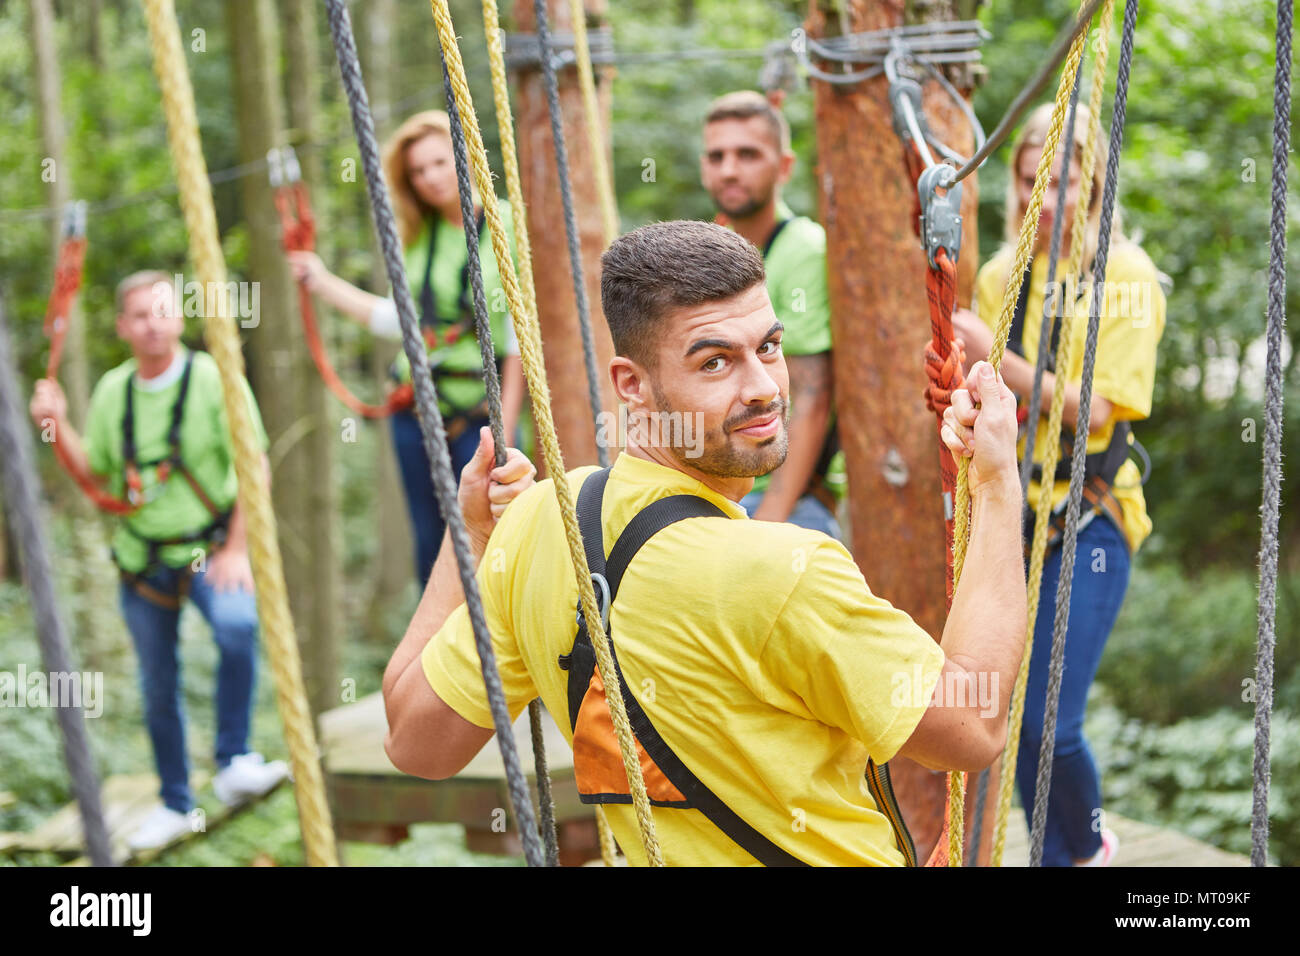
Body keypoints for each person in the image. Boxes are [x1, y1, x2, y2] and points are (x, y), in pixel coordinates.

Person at [382, 220, 1029, 866]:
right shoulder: (786, 572)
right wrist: (998, 485)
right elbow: (974, 727)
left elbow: (415, 742)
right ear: (631, 385)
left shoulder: (540, 524)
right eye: (714, 361)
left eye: (769, 347)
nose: (762, 388)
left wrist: (469, 533)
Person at [952, 102, 1167, 867]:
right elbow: (986, 395)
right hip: (1012, 510)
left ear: (1094, 183)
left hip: (1090, 518)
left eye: (1064, 182)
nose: (1046, 200)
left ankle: (1080, 846)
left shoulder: (1127, 276)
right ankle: (1055, 851)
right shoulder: (999, 274)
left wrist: (992, 356)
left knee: (1050, 722)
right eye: (1031, 182)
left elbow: (1097, 410)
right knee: (994, 713)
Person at [29, 270, 287, 851]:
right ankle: (175, 800)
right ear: (123, 327)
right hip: (142, 559)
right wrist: (55, 422)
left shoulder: (213, 381)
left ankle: (233, 758)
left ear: (180, 317)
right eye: (139, 315)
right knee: (156, 681)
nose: (152, 324)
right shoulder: (114, 392)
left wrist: (238, 549)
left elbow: (256, 464)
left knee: (237, 627)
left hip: (209, 548)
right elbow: (95, 472)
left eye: (162, 311)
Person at [289, 109, 525, 587]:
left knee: (490, 535)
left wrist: (507, 428)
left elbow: (520, 338)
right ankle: (436, 651)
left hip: (479, 412)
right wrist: (321, 280)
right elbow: (400, 321)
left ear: (462, 157)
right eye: (418, 171)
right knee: (428, 540)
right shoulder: (419, 237)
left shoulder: (504, 225)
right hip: (415, 411)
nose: (431, 178)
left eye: (439, 163)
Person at [700, 91, 840, 538]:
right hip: (719, 482)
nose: (729, 169)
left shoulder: (801, 247)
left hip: (781, 492)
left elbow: (812, 397)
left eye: (747, 155)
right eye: (716, 156)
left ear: (783, 167)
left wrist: (767, 524)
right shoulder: (713, 243)